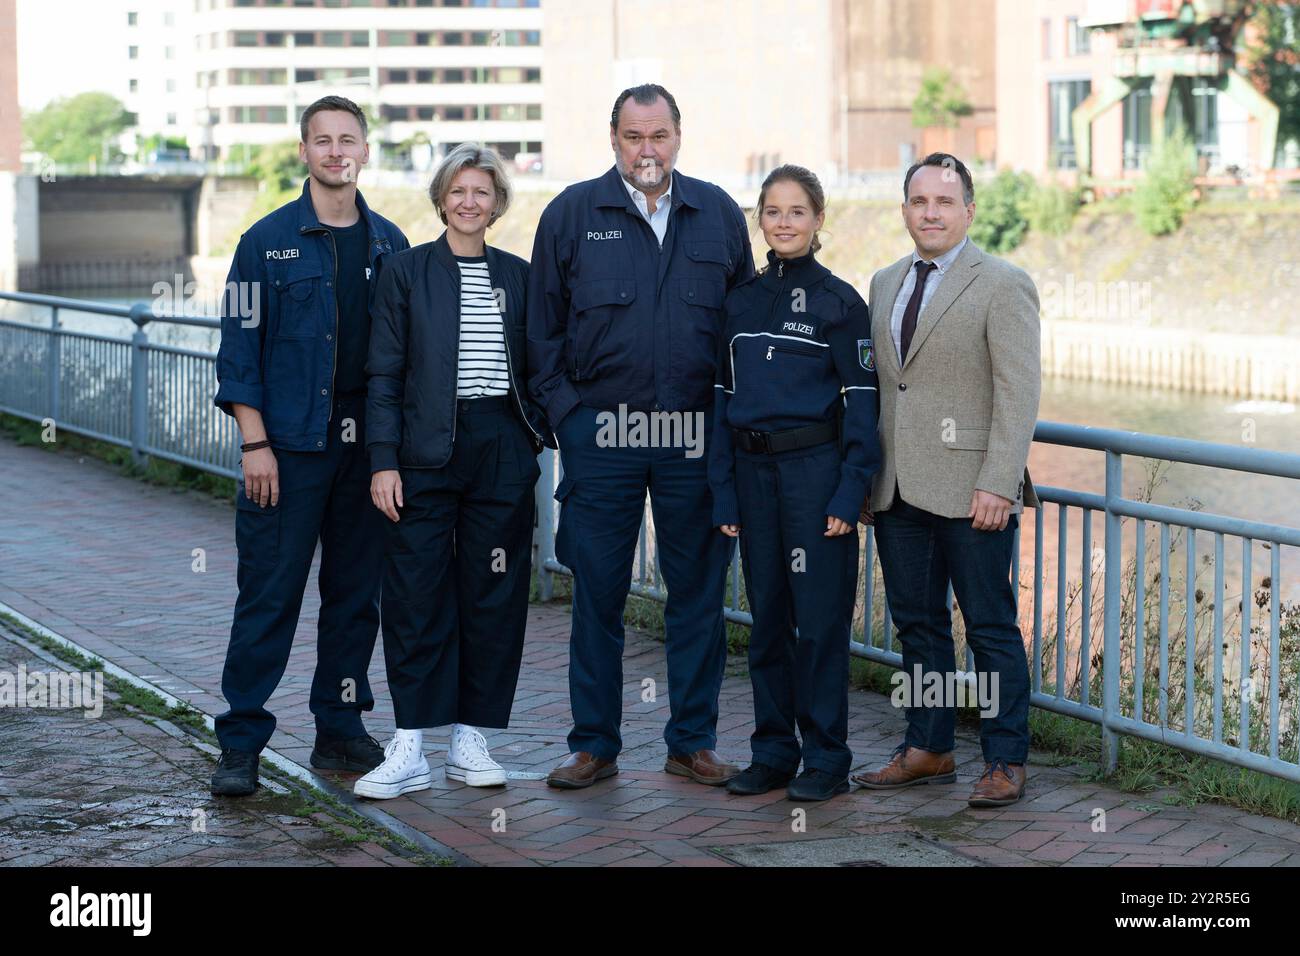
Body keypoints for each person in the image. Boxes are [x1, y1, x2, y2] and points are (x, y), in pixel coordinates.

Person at [527, 84, 755, 789]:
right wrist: (572, 422)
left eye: (658, 136)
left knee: (698, 595)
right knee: (597, 592)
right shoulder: (570, 214)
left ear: (678, 136)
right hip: (605, 435)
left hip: (693, 437)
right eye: (633, 137)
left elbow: (741, 335)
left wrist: (728, 431)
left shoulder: (717, 213)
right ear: (613, 138)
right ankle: (594, 744)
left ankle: (692, 741)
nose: (647, 150)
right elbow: (540, 335)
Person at [211, 95, 409, 797]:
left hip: (366, 454)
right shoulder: (265, 243)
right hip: (288, 448)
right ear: (304, 151)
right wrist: (254, 442)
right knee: (268, 594)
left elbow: (407, 356)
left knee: (357, 596)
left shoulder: (391, 244)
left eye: (346, 140)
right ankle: (240, 743)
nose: (335, 152)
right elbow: (239, 350)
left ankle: (340, 727)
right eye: (321, 140)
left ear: (363, 150)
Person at [355, 144, 551, 798]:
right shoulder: (405, 272)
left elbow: (542, 369)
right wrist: (383, 460)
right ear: (442, 198)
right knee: (414, 596)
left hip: (500, 446)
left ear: (497, 203)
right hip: (423, 450)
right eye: (459, 191)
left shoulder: (519, 277)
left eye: (483, 192)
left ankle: (473, 738)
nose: (470, 202)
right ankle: (410, 741)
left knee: (492, 596)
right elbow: (382, 375)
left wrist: (536, 437)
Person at [852, 152, 1040, 807]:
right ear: (905, 209)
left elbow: (1018, 391)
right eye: (919, 201)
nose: (931, 212)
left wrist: (1000, 480)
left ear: (969, 211)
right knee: (918, 626)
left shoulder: (1003, 282)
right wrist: (869, 478)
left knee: (988, 626)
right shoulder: (883, 281)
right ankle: (928, 747)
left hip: (973, 491)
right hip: (898, 489)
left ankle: (1005, 758)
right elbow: (885, 386)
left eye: (944, 201)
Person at [709, 165, 881, 802]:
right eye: (774, 212)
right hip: (753, 478)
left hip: (816, 479)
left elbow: (863, 407)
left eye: (797, 212)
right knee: (769, 623)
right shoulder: (741, 302)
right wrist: (724, 492)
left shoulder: (841, 303)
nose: (784, 223)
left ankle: (827, 760)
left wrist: (849, 492)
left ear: (818, 220)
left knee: (819, 626)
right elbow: (719, 402)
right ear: (760, 219)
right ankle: (774, 751)